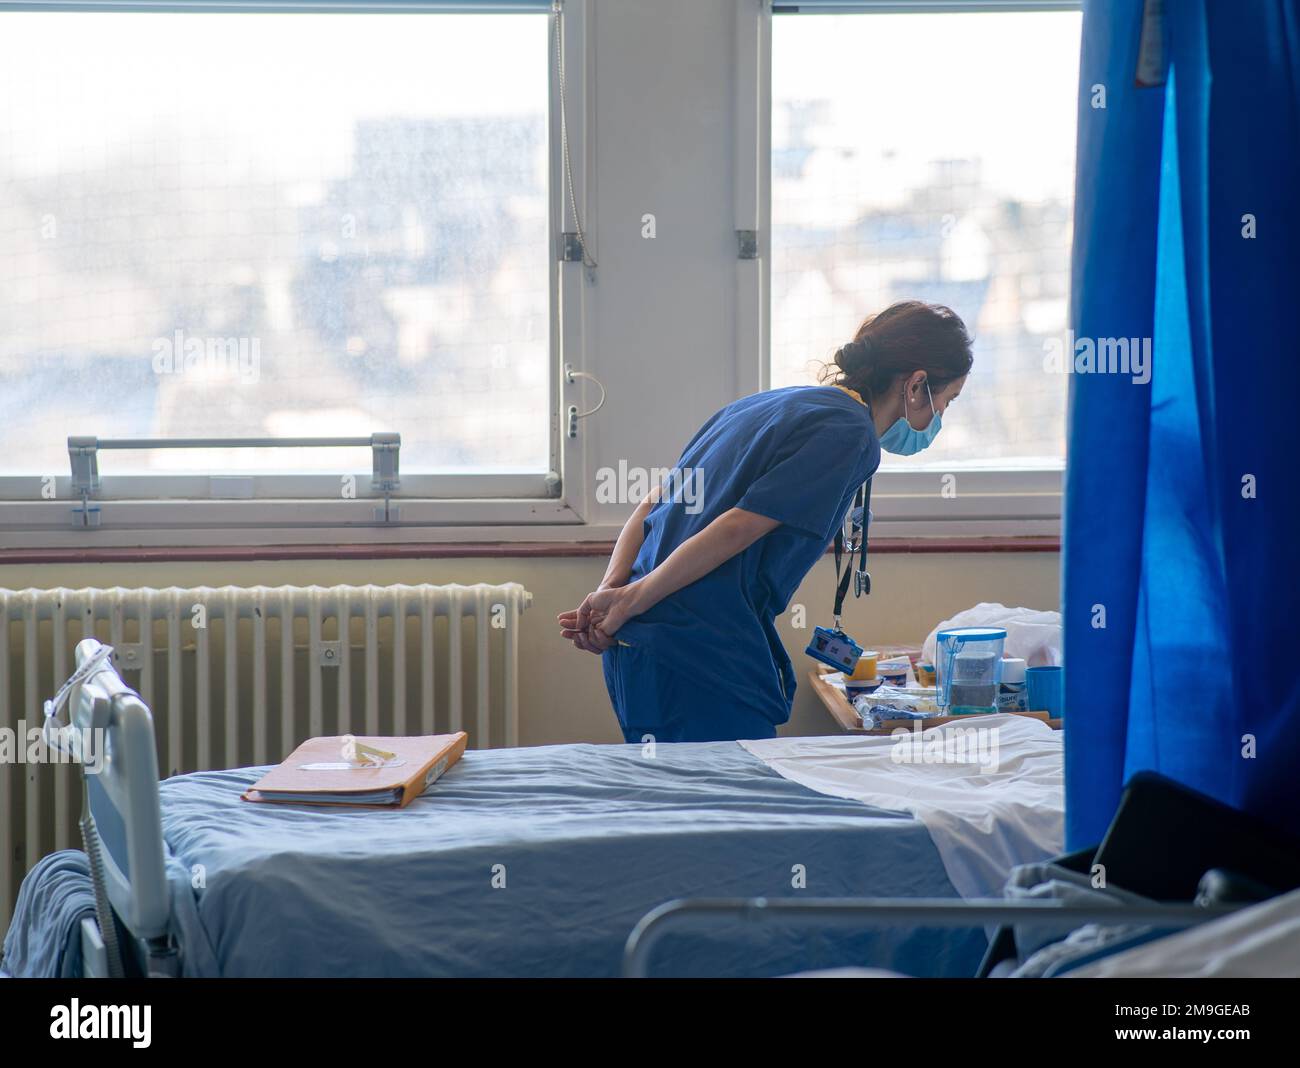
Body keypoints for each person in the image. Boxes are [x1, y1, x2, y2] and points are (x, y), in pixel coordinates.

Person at [557, 300, 973, 742]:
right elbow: (739, 527)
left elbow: (650, 506)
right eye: (947, 401)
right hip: (697, 652)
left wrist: (614, 592)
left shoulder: (763, 406)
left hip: (637, 650)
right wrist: (626, 601)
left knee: (677, 804)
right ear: (916, 385)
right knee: (728, 806)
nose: (941, 417)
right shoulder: (850, 435)